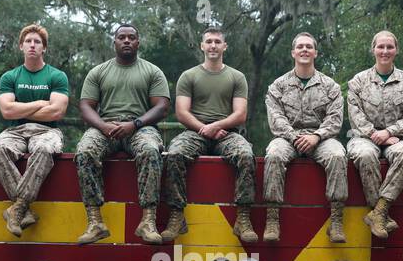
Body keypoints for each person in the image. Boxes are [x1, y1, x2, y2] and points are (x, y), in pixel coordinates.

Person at [73, 25, 171, 244]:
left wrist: (134, 124)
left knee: (150, 149)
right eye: (122, 37)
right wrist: (103, 125)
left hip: (140, 127)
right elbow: (86, 106)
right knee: (84, 151)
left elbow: (162, 107)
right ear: (114, 42)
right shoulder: (98, 72)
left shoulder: (152, 71)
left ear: (138, 42)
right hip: (105, 127)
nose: (127, 41)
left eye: (131, 37)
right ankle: (95, 221)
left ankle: (148, 220)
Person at [165, 28, 257, 243]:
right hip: (195, 132)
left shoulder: (236, 77)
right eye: (209, 41)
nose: (213, 45)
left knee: (245, 153)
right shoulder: (189, 76)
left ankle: (243, 218)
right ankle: (177, 216)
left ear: (225, 46)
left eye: (217, 42)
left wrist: (216, 126)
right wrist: (203, 129)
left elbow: (240, 114)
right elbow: (181, 112)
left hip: (227, 133)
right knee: (175, 153)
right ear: (202, 46)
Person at [262, 32, 348, 242]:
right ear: (293, 52)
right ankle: (272, 218)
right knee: (273, 154)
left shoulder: (331, 86)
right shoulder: (278, 86)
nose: (304, 50)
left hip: (321, 139)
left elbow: (335, 119)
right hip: (287, 138)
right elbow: (276, 118)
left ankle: (336, 220)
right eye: (300, 46)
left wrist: (317, 136)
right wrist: (294, 137)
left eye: (309, 47)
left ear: (315, 53)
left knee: (337, 155)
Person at [0, 23, 70, 236]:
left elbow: (56, 113)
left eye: (37, 42)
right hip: (15, 131)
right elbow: (7, 111)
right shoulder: (10, 77)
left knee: (44, 150)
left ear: (44, 48)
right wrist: (40, 104)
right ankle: (23, 209)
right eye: (28, 41)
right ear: (21, 46)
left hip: (47, 131)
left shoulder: (57, 76)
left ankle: (17, 207)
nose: (32, 45)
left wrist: (20, 109)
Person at [346, 30, 403, 239]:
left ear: (396, 50)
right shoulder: (358, 82)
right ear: (373, 50)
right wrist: (375, 134)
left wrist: (389, 132)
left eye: (389, 47)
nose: (385, 51)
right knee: (365, 155)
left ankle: (379, 210)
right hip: (363, 137)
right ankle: (380, 214)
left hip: (399, 138)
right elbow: (355, 115)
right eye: (381, 46)